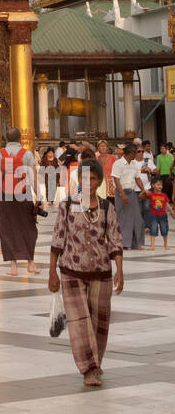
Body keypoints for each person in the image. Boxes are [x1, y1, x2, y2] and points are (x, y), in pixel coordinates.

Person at [49, 160, 124, 389]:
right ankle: (88, 369)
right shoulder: (67, 206)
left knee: (99, 322)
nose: (88, 182)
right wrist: (52, 271)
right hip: (71, 271)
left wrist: (120, 269)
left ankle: (95, 361)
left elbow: (115, 240)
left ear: (99, 181)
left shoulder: (106, 207)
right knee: (80, 322)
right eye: (84, 178)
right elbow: (57, 239)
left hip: (101, 271)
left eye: (92, 178)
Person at [0, 128, 40, 276]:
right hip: (23, 195)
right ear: (20, 139)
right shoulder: (26, 154)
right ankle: (30, 263)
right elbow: (33, 177)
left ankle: (13, 266)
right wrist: (39, 196)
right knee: (28, 228)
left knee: (8, 228)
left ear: (6, 139)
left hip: (6, 196)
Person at [111, 143, 149, 250]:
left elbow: (137, 178)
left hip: (132, 193)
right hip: (121, 193)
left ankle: (136, 243)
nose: (138, 154)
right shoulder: (118, 163)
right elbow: (116, 179)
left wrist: (143, 190)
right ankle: (123, 243)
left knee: (137, 219)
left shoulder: (134, 164)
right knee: (123, 219)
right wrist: (122, 194)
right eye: (137, 152)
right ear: (131, 153)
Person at [147, 179, 170, 252]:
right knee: (153, 229)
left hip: (163, 215)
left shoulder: (164, 195)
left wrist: (172, 212)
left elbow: (167, 204)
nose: (160, 186)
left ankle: (165, 244)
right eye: (158, 184)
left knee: (164, 229)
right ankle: (152, 245)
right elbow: (142, 196)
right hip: (153, 215)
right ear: (153, 185)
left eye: (161, 185)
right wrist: (144, 191)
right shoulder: (151, 194)